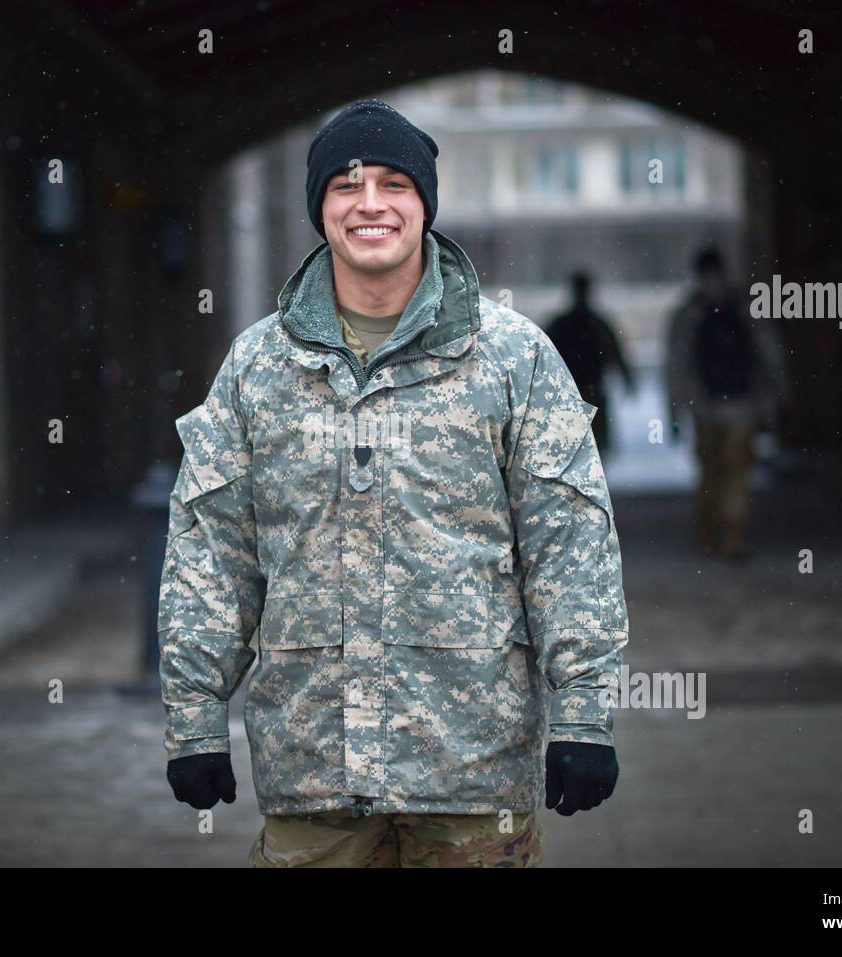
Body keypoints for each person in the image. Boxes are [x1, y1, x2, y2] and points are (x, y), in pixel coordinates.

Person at [159, 99, 629, 868]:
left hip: (471, 770)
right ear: (320, 209)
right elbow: (212, 554)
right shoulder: (257, 368)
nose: (370, 203)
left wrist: (584, 714)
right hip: (314, 774)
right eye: (346, 187)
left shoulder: (513, 357)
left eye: (393, 184)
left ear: (424, 206)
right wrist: (195, 717)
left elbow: (569, 543)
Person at [665, 246, 789, 559]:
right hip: (739, 405)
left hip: (709, 406)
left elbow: (677, 364)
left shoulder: (690, 313)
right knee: (734, 474)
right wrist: (778, 396)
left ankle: (714, 536)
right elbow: (770, 353)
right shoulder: (744, 307)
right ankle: (732, 536)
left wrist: (675, 408)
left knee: (713, 473)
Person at [545, 271, 636, 454]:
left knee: (572, 454)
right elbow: (615, 354)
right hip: (591, 394)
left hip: (570, 398)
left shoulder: (561, 325)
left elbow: (543, 360)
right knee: (594, 454)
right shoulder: (597, 324)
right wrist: (628, 380)